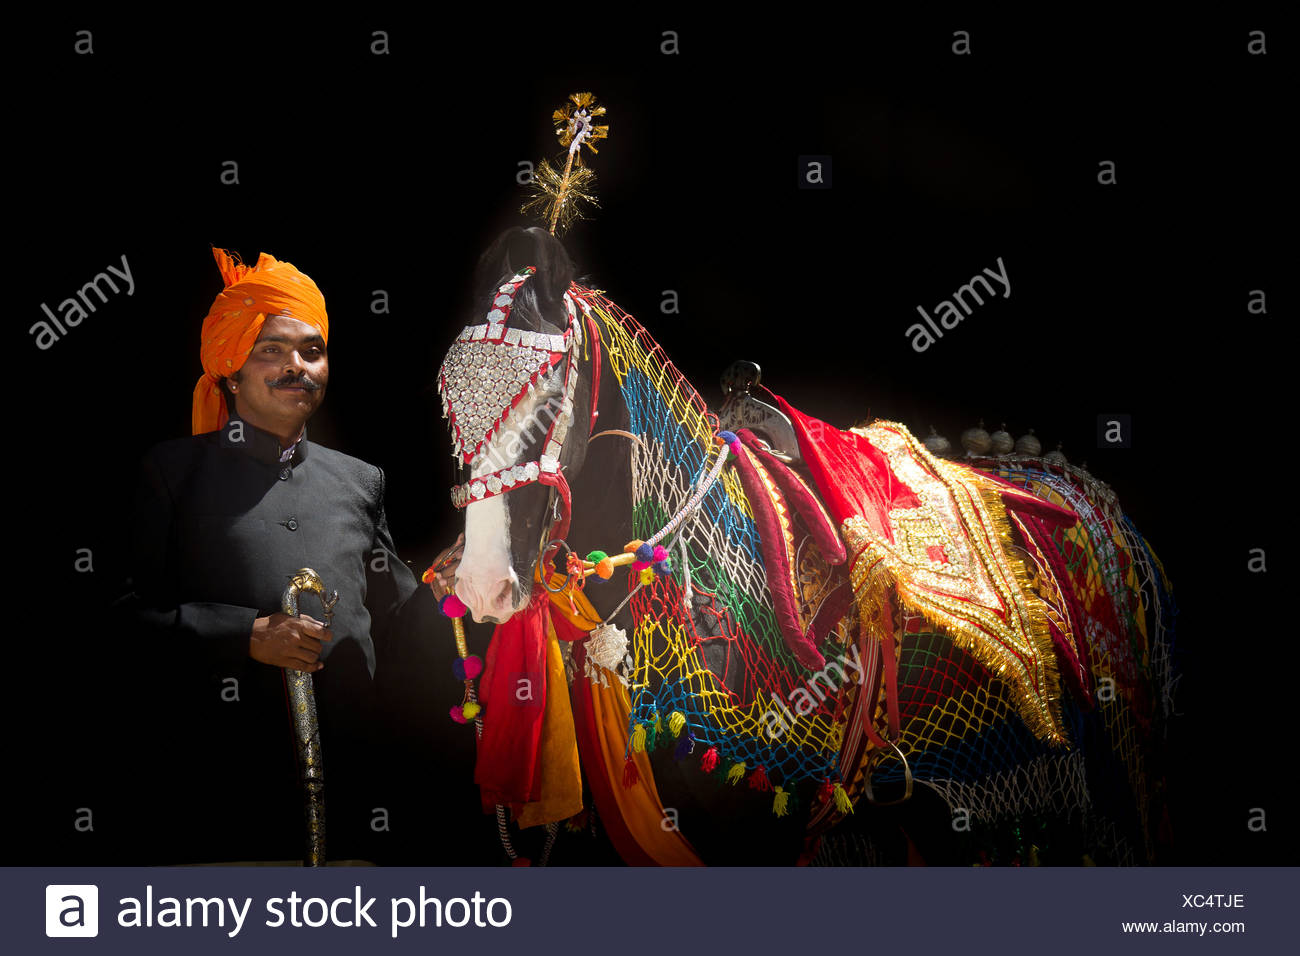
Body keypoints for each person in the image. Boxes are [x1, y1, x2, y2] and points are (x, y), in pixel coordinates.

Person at [118, 246, 463, 864]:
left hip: (356, 805)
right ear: (230, 369)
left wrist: (444, 589)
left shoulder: (360, 482)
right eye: (271, 350)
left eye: (312, 350)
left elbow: (392, 631)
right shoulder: (172, 473)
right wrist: (244, 634)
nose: (296, 366)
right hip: (217, 809)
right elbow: (118, 620)